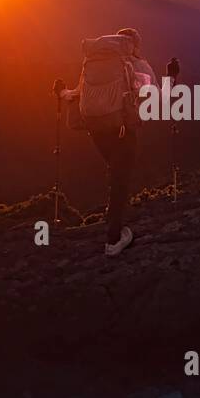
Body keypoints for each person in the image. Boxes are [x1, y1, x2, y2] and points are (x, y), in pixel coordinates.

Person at [57, 27, 154, 257]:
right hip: (122, 129)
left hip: (96, 128)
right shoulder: (136, 65)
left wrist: (62, 93)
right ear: (134, 45)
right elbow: (152, 94)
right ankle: (114, 239)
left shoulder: (94, 62)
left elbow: (77, 94)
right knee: (120, 179)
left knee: (114, 171)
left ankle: (112, 217)